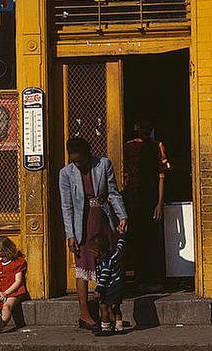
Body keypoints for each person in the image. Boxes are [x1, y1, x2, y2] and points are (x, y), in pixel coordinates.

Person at [59, 136, 127, 332]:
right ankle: (85, 314)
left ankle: (109, 314)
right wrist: (70, 234)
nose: (78, 164)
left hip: (103, 220)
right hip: (82, 225)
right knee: (83, 267)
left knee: (108, 264)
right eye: (74, 161)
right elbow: (67, 206)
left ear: (89, 154)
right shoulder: (65, 173)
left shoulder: (103, 164)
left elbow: (113, 192)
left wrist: (122, 216)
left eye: (81, 160)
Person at [123, 119, 169, 292]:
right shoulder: (128, 146)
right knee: (136, 236)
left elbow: (161, 175)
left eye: (147, 127)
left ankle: (154, 278)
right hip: (133, 195)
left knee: (153, 237)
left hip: (151, 196)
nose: (144, 130)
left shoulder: (157, 146)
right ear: (137, 127)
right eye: (141, 126)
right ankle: (139, 278)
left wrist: (159, 202)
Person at [89, 232, 127, 336]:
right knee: (116, 307)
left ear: (98, 252)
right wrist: (121, 235)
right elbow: (120, 245)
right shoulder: (115, 253)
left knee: (103, 306)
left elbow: (104, 279)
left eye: (92, 251)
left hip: (110, 287)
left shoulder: (104, 262)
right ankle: (119, 327)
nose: (91, 253)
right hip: (119, 285)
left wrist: (98, 290)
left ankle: (105, 327)